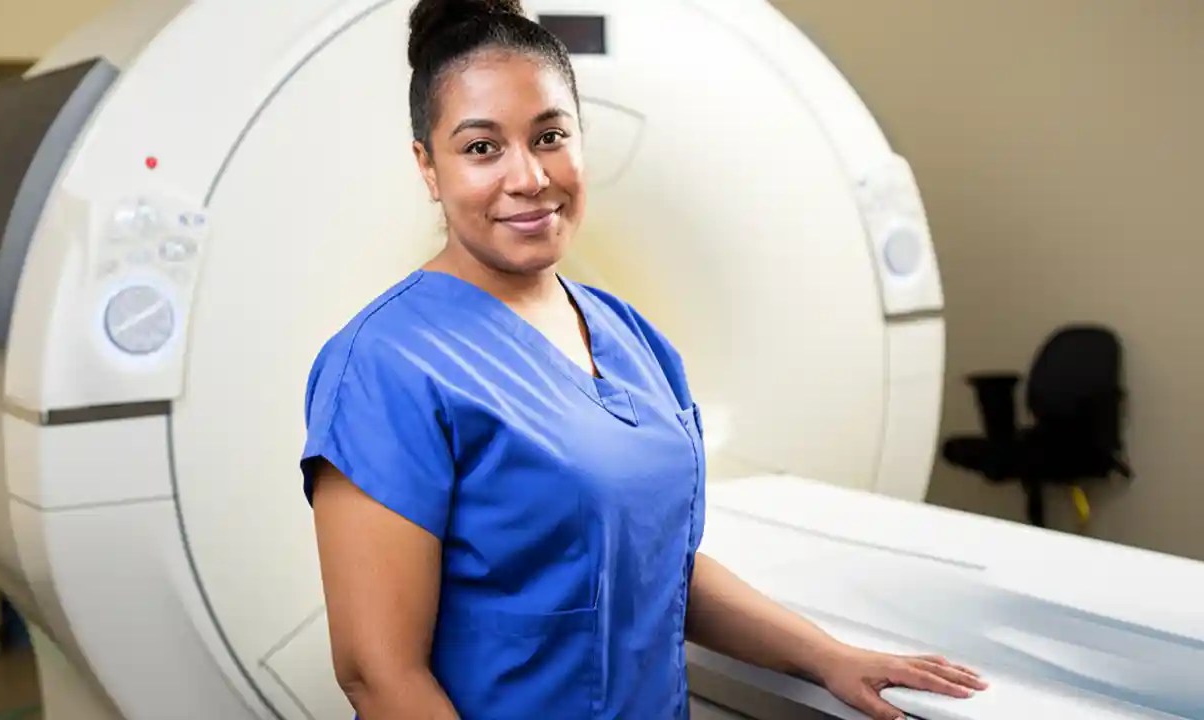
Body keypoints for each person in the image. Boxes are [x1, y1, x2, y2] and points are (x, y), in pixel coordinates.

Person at [300, 1, 988, 718]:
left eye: (550, 136)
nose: (529, 177)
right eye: (481, 148)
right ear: (428, 167)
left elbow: (661, 573)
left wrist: (826, 657)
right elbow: (378, 674)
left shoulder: (631, 337)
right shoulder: (385, 365)